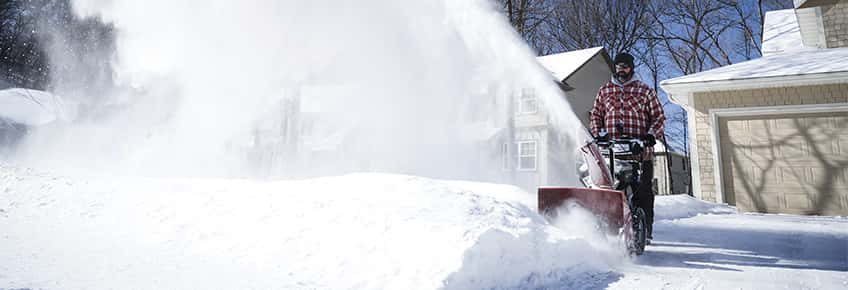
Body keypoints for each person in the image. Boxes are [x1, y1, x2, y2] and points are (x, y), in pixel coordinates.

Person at [589, 52, 665, 244]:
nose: (621, 69)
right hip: (611, 151)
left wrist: (650, 136)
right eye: (618, 66)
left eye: (625, 66)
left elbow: (658, 117)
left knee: (643, 191)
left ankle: (644, 231)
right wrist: (599, 133)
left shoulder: (644, 91)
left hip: (639, 150)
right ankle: (608, 226)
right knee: (610, 188)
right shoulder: (605, 90)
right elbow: (596, 115)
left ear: (631, 67)